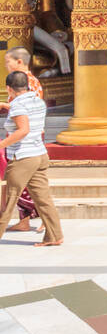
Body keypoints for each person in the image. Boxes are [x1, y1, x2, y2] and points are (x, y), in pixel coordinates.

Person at [0, 71, 62, 247]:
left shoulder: (18, 104)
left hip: (22, 158)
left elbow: (23, 130)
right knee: (43, 199)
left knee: (8, 200)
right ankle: (54, 235)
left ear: (8, 88)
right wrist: (7, 106)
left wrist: (2, 144)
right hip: (39, 155)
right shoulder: (37, 100)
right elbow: (25, 113)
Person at [2, 48, 44, 235]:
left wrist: (4, 105)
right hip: (21, 138)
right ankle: (25, 220)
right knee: (25, 183)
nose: (6, 66)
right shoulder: (23, 81)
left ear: (19, 62)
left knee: (23, 182)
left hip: (26, 140)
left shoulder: (28, 82)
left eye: (8, 62)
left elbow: (28, 109)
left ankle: (46, 217)